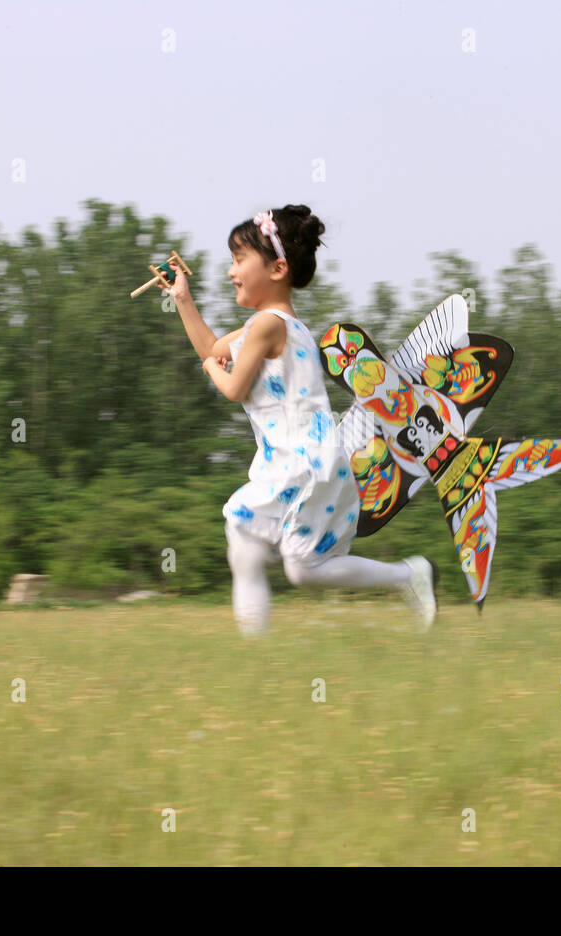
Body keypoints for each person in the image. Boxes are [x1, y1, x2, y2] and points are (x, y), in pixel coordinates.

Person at [167, 204, 437, 637]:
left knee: (241, 528)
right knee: (304, 569)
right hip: (313, 458)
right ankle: (408, 575)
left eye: (239, 260)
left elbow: (231, 384)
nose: (232, 271)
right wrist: (182, 298)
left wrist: (213, 370)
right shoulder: (275, 324)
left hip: (302, 459)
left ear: (276, 268)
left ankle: (255, 654)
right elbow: (214, 348)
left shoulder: (268, 326)